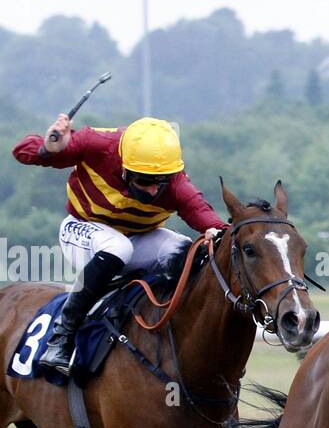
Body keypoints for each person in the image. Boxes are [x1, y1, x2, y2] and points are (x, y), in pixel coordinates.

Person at [12, 116, 226, 375]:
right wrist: (48, 147)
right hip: (82, 230)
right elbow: (21, 152)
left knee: (182, 248)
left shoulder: (176, 182)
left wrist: (227, 235)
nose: (152, 191)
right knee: (118, 247)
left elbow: (207, 219)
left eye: (161, 182)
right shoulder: (95, 143)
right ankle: (61, 336)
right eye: (144, 181)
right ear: (124, 168)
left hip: (136, 237)